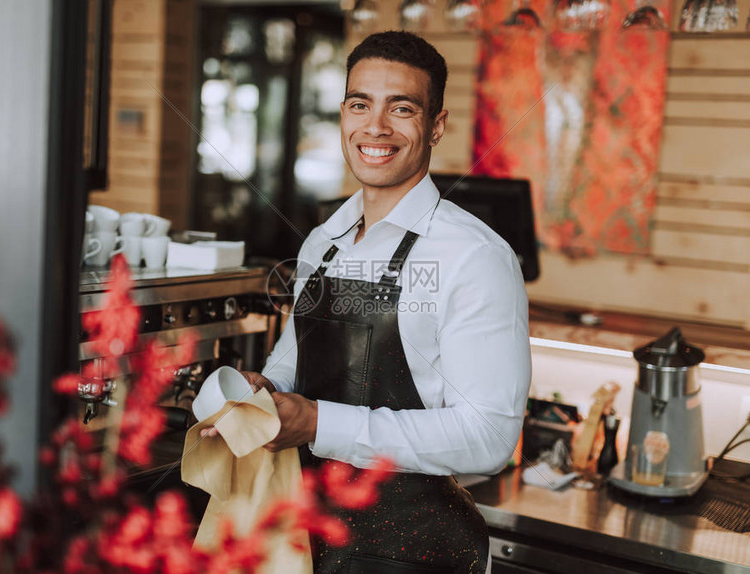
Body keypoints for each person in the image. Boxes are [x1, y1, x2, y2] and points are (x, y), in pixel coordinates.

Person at [206, 30, 530, 573]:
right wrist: (265, 393)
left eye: (401, 109)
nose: (375, 127)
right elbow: (292, 367)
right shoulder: (323, 242)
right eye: (361, 104)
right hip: (303, 535)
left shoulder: (474, 256)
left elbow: (489, 436)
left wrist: (317, 424)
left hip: (412, 554)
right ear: (343, 116)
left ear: (436, 127)